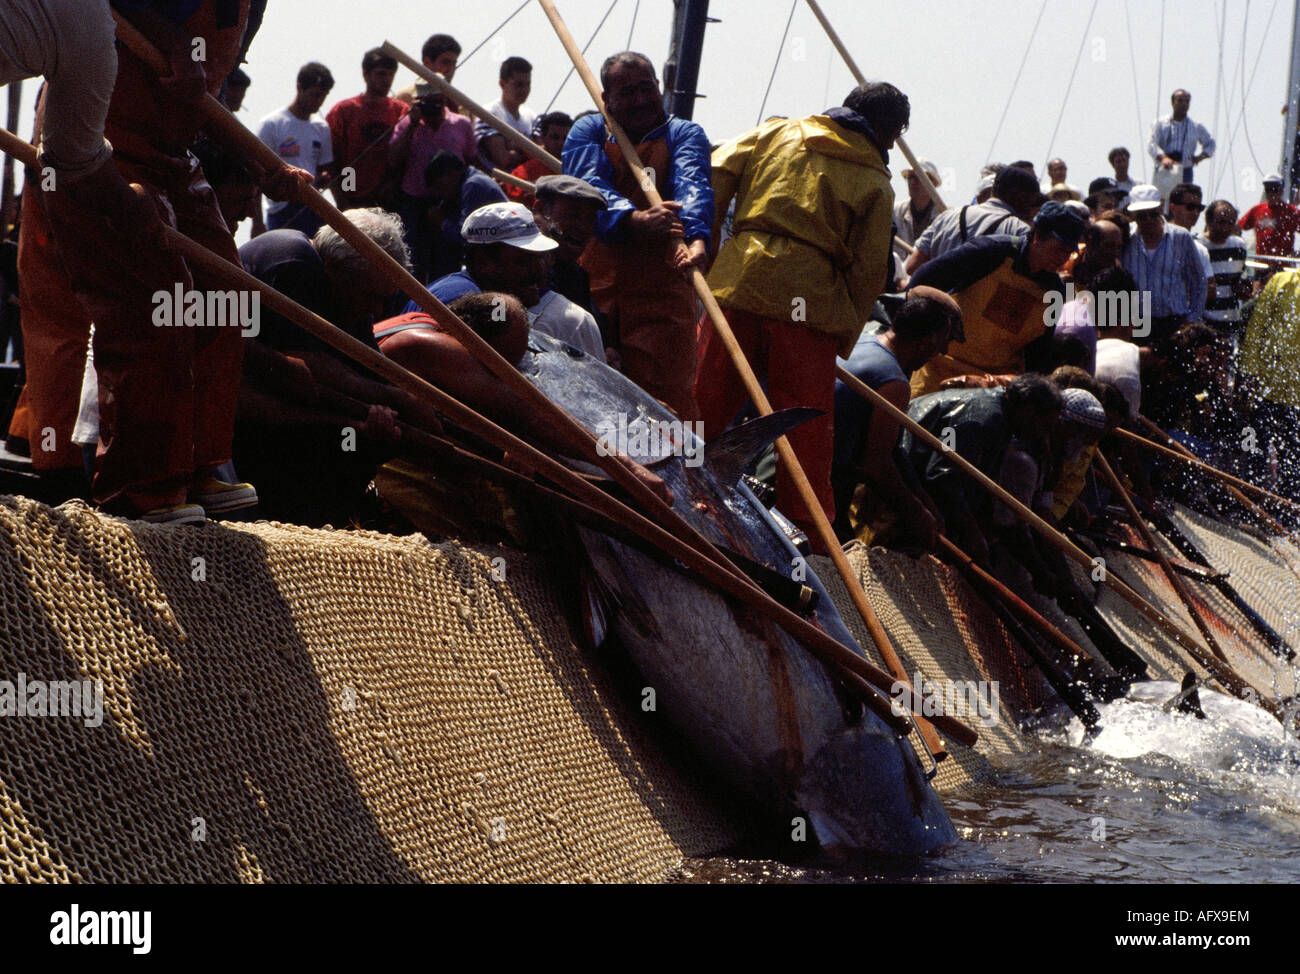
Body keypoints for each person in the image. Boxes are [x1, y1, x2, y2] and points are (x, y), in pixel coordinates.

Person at [15, 0, 262, 522]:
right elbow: (96, 6)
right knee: (153, 300)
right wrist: (169, 39)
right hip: (102, 136)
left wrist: (267, 167)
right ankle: (141, 486)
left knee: (226, 295)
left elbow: (207, 85)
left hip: (174, 150)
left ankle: (196, 465)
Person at [697, 81, 904, 538]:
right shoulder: (875, 181)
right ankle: (807, 528)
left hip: (740, 278)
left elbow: (715, 170)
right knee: (804, 422)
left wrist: (707, 244)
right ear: (888, 130)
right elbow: (870, 271)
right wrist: (842, 334)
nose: (892, 147)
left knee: (702, 398)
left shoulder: (776, 132)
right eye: (894, 136)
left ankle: (673, 476)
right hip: (808, 304)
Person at [235, 209, 438, 526]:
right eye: (371, 296)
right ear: (334, 269)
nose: (377, 310)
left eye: (385, 299)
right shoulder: (293, 258)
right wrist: (398, 399)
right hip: (235, 419)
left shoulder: (353, 298)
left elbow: (369, 370)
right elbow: (309, 368)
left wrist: (398, 410)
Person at [563, 51, 713, 418]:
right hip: (594, 286)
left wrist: (697, 239)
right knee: (588, 391)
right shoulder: (589, 131)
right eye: (627, 92)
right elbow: (588, 187)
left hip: (662, 289)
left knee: (667, 400)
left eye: (647, 88)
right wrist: (632, 219)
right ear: (606, 98)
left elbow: (693, 186)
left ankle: (677, 457)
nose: (641, 99)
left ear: (659, 88)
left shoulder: (684, 133)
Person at [905, 200, 1085, 396]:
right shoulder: (991, 251)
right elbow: (922, 281)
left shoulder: (1055, 291)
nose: (1063, 258)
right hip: (938, 369)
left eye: (1068, 252)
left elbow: (1038, 353)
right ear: (1038, 237)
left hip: (991, 387)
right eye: (1059, 249)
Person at [831, 289, 961, 547]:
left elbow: (891, 449)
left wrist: (922, 499)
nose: (942, 352)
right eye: (941, 345)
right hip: (819, 480)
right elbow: (875, 465)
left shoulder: (864, 341)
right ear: (927, 343)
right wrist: (916, 514)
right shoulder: (894, 383)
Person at [404, 201, 604, 359]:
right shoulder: (475, 300)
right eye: (523, 261)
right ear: (484, 263)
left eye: (540, 259)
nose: (539, 270)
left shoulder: (483, 295)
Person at [900, 373, 1063, 564]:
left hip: (916, 474)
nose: (1043, 435)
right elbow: (941, 473)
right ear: (1028, 411)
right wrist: (969, 529)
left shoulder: (1003, 419)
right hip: (902, 472)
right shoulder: (979, 419)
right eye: (1045, 426)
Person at [388, 87, 478, 282]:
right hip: (414, 203)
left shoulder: (461, 124)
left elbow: (472, 159)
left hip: (448, 203)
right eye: (426, 102)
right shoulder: (407, 124)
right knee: (411, 262)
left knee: (447, 261)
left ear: (444, 100)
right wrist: (412, 124)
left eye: (436, 102)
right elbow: (393, 160)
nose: (432, 107)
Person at [905, 164, 1042, 273]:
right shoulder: (1020, 231)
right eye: (1032, 200)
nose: (1032, 208)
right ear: (1021, 197)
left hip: (937, 298)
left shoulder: (947, 216)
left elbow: (912, 266)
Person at [1121, 184, 1207, 344]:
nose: (1148, 219)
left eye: (1153, 214)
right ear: (1133, 215)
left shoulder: (1181, 237)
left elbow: (1198, 283)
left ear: (1161, 208)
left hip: (1174, 323)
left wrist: (1192, 320)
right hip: (1137, 325)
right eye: (1142, 216)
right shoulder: (1127, 239)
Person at [1238, 268, 1300, 488]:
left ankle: (1288, 501)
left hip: (1296, 398)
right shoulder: (1281, 281)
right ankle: (1249, 493)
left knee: (1293, 458)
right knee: (1253, 447)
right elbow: (1256, 329)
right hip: (1265, 386)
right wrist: (1248, 373)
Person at [257, 62, 335, 235]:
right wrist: (257, 222)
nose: (319, 101)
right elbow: (256, 175)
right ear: (300, 87)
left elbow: (324, 168)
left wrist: (323, 178)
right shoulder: (272, 124)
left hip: (312, 205)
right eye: (315, 94)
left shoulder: (321, 127)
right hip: (281, 208)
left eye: (324, 96)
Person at [326, 48, 409, 210]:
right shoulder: (344, 111)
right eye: (381, 74)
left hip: (389, 200)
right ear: (366, 74)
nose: (386, 80)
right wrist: (343, 200)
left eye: (391, 74)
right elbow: (333, 160)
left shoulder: (400, 111)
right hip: (353, 197)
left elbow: (406, 159)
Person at [419, 151, 507, 282]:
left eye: (440, 186)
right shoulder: (470, 180)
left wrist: (442, 222)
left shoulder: (473, 185)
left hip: (501, 251)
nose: (440, 193)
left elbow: (467, 236)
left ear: (451, 174)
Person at [531, 173, 606, 322]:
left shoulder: (576, 276)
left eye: (589, 219)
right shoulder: (520, 271)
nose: (582, 227)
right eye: (573, 215)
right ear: (540, 209)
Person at [475, 56, 538, 172]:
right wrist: (529, 151)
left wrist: (514, 147)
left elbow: (543, 152)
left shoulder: (532, 117)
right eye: (519, 85)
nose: (524, 90)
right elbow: (503, 159)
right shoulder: (489, 114)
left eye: (528, 84)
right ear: (502, 84)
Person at [1149, 89, 1215, 188]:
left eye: (1187, 101)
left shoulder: (1195, 126)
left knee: (1184, 196)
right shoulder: (1160, 123)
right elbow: (1151, 143)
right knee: (1162, 196)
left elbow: (1210, 143)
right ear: (1172, 102)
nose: (1184, 104)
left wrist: (1201, 157)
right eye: (1180, 101)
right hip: (1164, 168)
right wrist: (1163, 158)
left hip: (1185, 170)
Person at [1200, 200, 1249, 333]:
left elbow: (1244, 280)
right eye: (1221, 222)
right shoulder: (1198, 246)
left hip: (1231, 323)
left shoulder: (1238, 246)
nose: (1226, 227)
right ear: (1208, 220)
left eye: (1231, 222)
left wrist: (1243, 289)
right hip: (1204, 322)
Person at [1238, 173, 1300, 277]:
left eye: (1274, 189)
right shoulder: (1257, 210)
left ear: (1281, 190)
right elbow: (1237, 228)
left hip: (1283, 268)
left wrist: (1297, 254)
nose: (1271, 193)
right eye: (1268, 189)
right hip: (1261, 266)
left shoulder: (1292, 212)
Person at [507, 112, 573, 207]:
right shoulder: (523, 173)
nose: (560, 143)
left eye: (565, 138)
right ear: (542, 137)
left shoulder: (578, 170)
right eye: (555, 137)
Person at [394, 33, 461, 106]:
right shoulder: (403, 98)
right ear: (427, 63)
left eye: (454, 63)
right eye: (445, 62)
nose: (451, 68)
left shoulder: (460, 102)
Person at [893, 158, 943, 250]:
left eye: (918, 177)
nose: (912, 182)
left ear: (934, 183)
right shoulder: (895, 212)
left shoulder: (944, 216)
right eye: (910, 177)